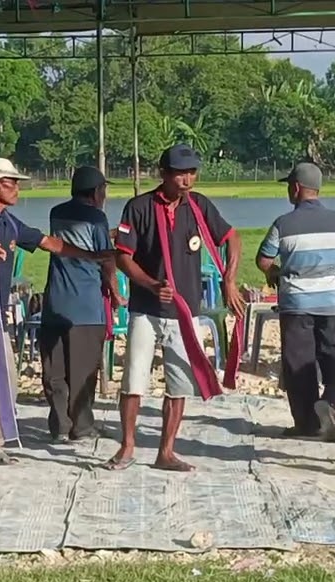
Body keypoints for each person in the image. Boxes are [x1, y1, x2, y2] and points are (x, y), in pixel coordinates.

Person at [0, 157, 110, 472]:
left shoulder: (10, 223)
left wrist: (92, 255)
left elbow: (48, 243)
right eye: (13, 183)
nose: (18, 190)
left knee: (3, 383)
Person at [107, 144, 245, 473]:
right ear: (164, 173)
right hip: (145, 309)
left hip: (185, 312)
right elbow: (123, 256)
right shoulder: (139, 207)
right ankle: (127, 447)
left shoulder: (199, 206)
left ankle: (166, 451)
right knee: (134, 380)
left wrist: (229, 279)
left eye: (192, 172)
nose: (186, 180)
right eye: (180, 173)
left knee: (179, 382)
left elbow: (232, 237)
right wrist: (151, 284)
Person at [256, 162, 335, 441]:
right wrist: (327, 266)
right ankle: (331, 403)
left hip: (297, 303)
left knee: (299, 363)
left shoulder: (283, 224)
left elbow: (264, 260)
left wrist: (276, 272)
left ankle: (306, 423)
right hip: (333, 301)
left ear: (296, 188)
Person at [40, 166, 121, 443]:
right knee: (84, 370)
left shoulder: (56, 213)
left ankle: (60, 423)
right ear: (97, 192)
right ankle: (82, 426)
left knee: (55, 370)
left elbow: (76, 239)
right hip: (85, 304)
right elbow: (106, 257)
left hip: (55, 301)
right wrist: (115, 290)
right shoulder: (96, 218)